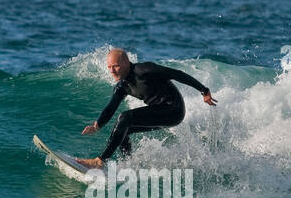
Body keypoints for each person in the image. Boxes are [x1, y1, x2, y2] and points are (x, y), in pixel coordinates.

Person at [77, 49, 216, 168]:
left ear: (126, 62)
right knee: (123, 129)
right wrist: (97, 125)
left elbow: (177, 74)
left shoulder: (144, 70)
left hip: (174, 110)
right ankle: (129, 164)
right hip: (159, 111)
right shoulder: (122, 86)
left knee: (125, 117)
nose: (112, 71)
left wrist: (204, 91)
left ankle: (100, 161)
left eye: (116, 66)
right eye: (109, 67)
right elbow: (110, 108)